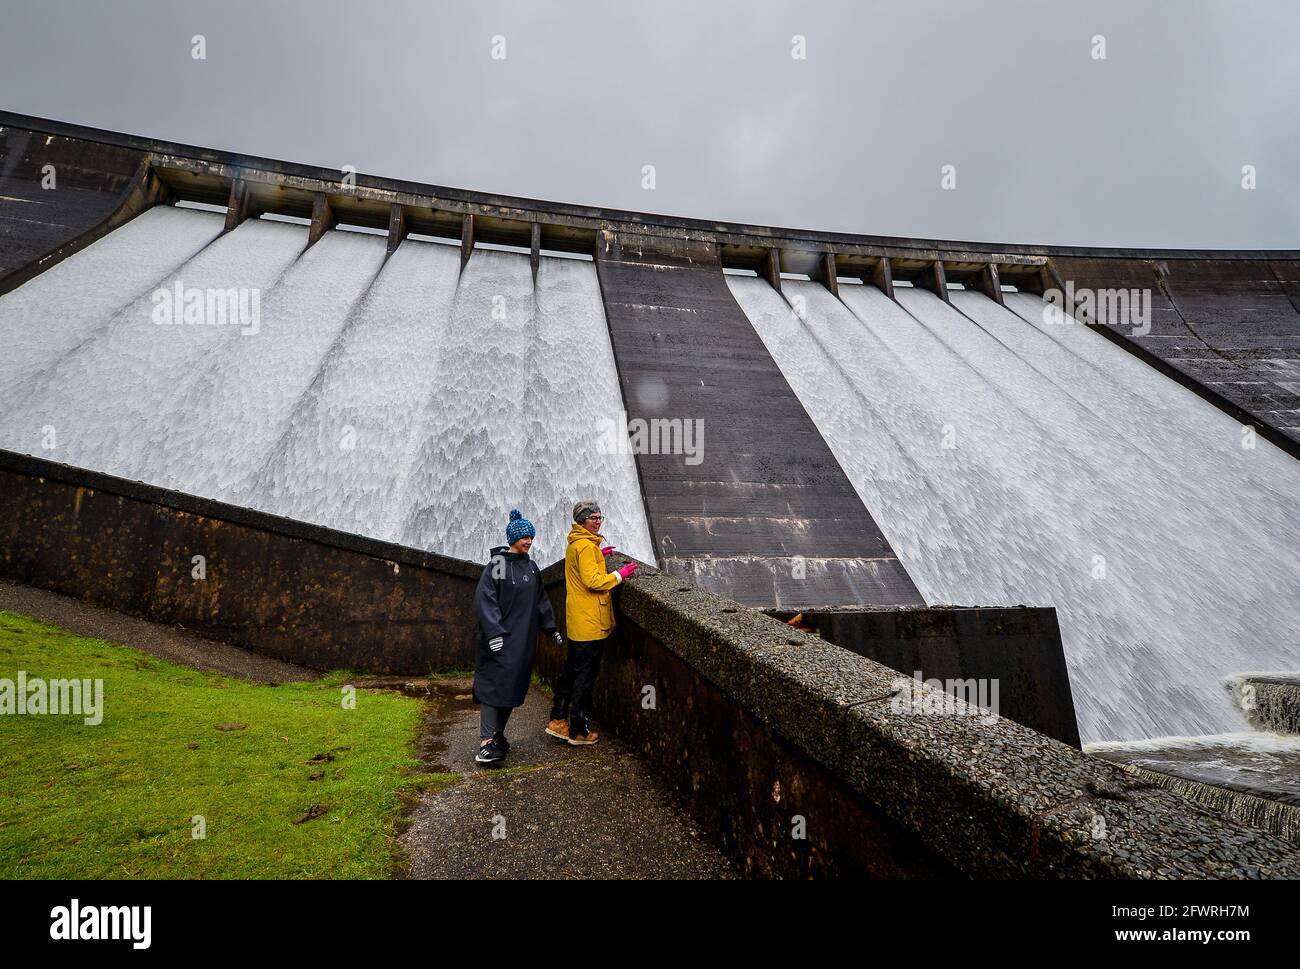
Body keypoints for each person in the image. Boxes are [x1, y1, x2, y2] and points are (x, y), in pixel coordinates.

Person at [472, 509, 562, 765]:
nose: (529, 541)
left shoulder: (531, 567)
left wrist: (551, 628)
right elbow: (485, 599)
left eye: (531, 537)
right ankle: (486, 743)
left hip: (522, 640)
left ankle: (498, 735)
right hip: (499, 640)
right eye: (524, 537)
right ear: (512, 538)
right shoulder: (498, 564)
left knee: (512, 686)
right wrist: (494, 632)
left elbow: (541, 601)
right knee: (493, 686)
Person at [546, 500, 638, 745]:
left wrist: (600, 554)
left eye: (600, 517)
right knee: (585, 677)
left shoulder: (576, 543)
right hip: (590, 622)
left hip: (578, 620)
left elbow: (581, 568)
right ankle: (578, 731)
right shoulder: (586, 547)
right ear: (582, 521)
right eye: (593, 518)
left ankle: (557, 720)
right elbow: (593, 582)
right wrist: (620, 574)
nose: (598, 522)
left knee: (570, 671)